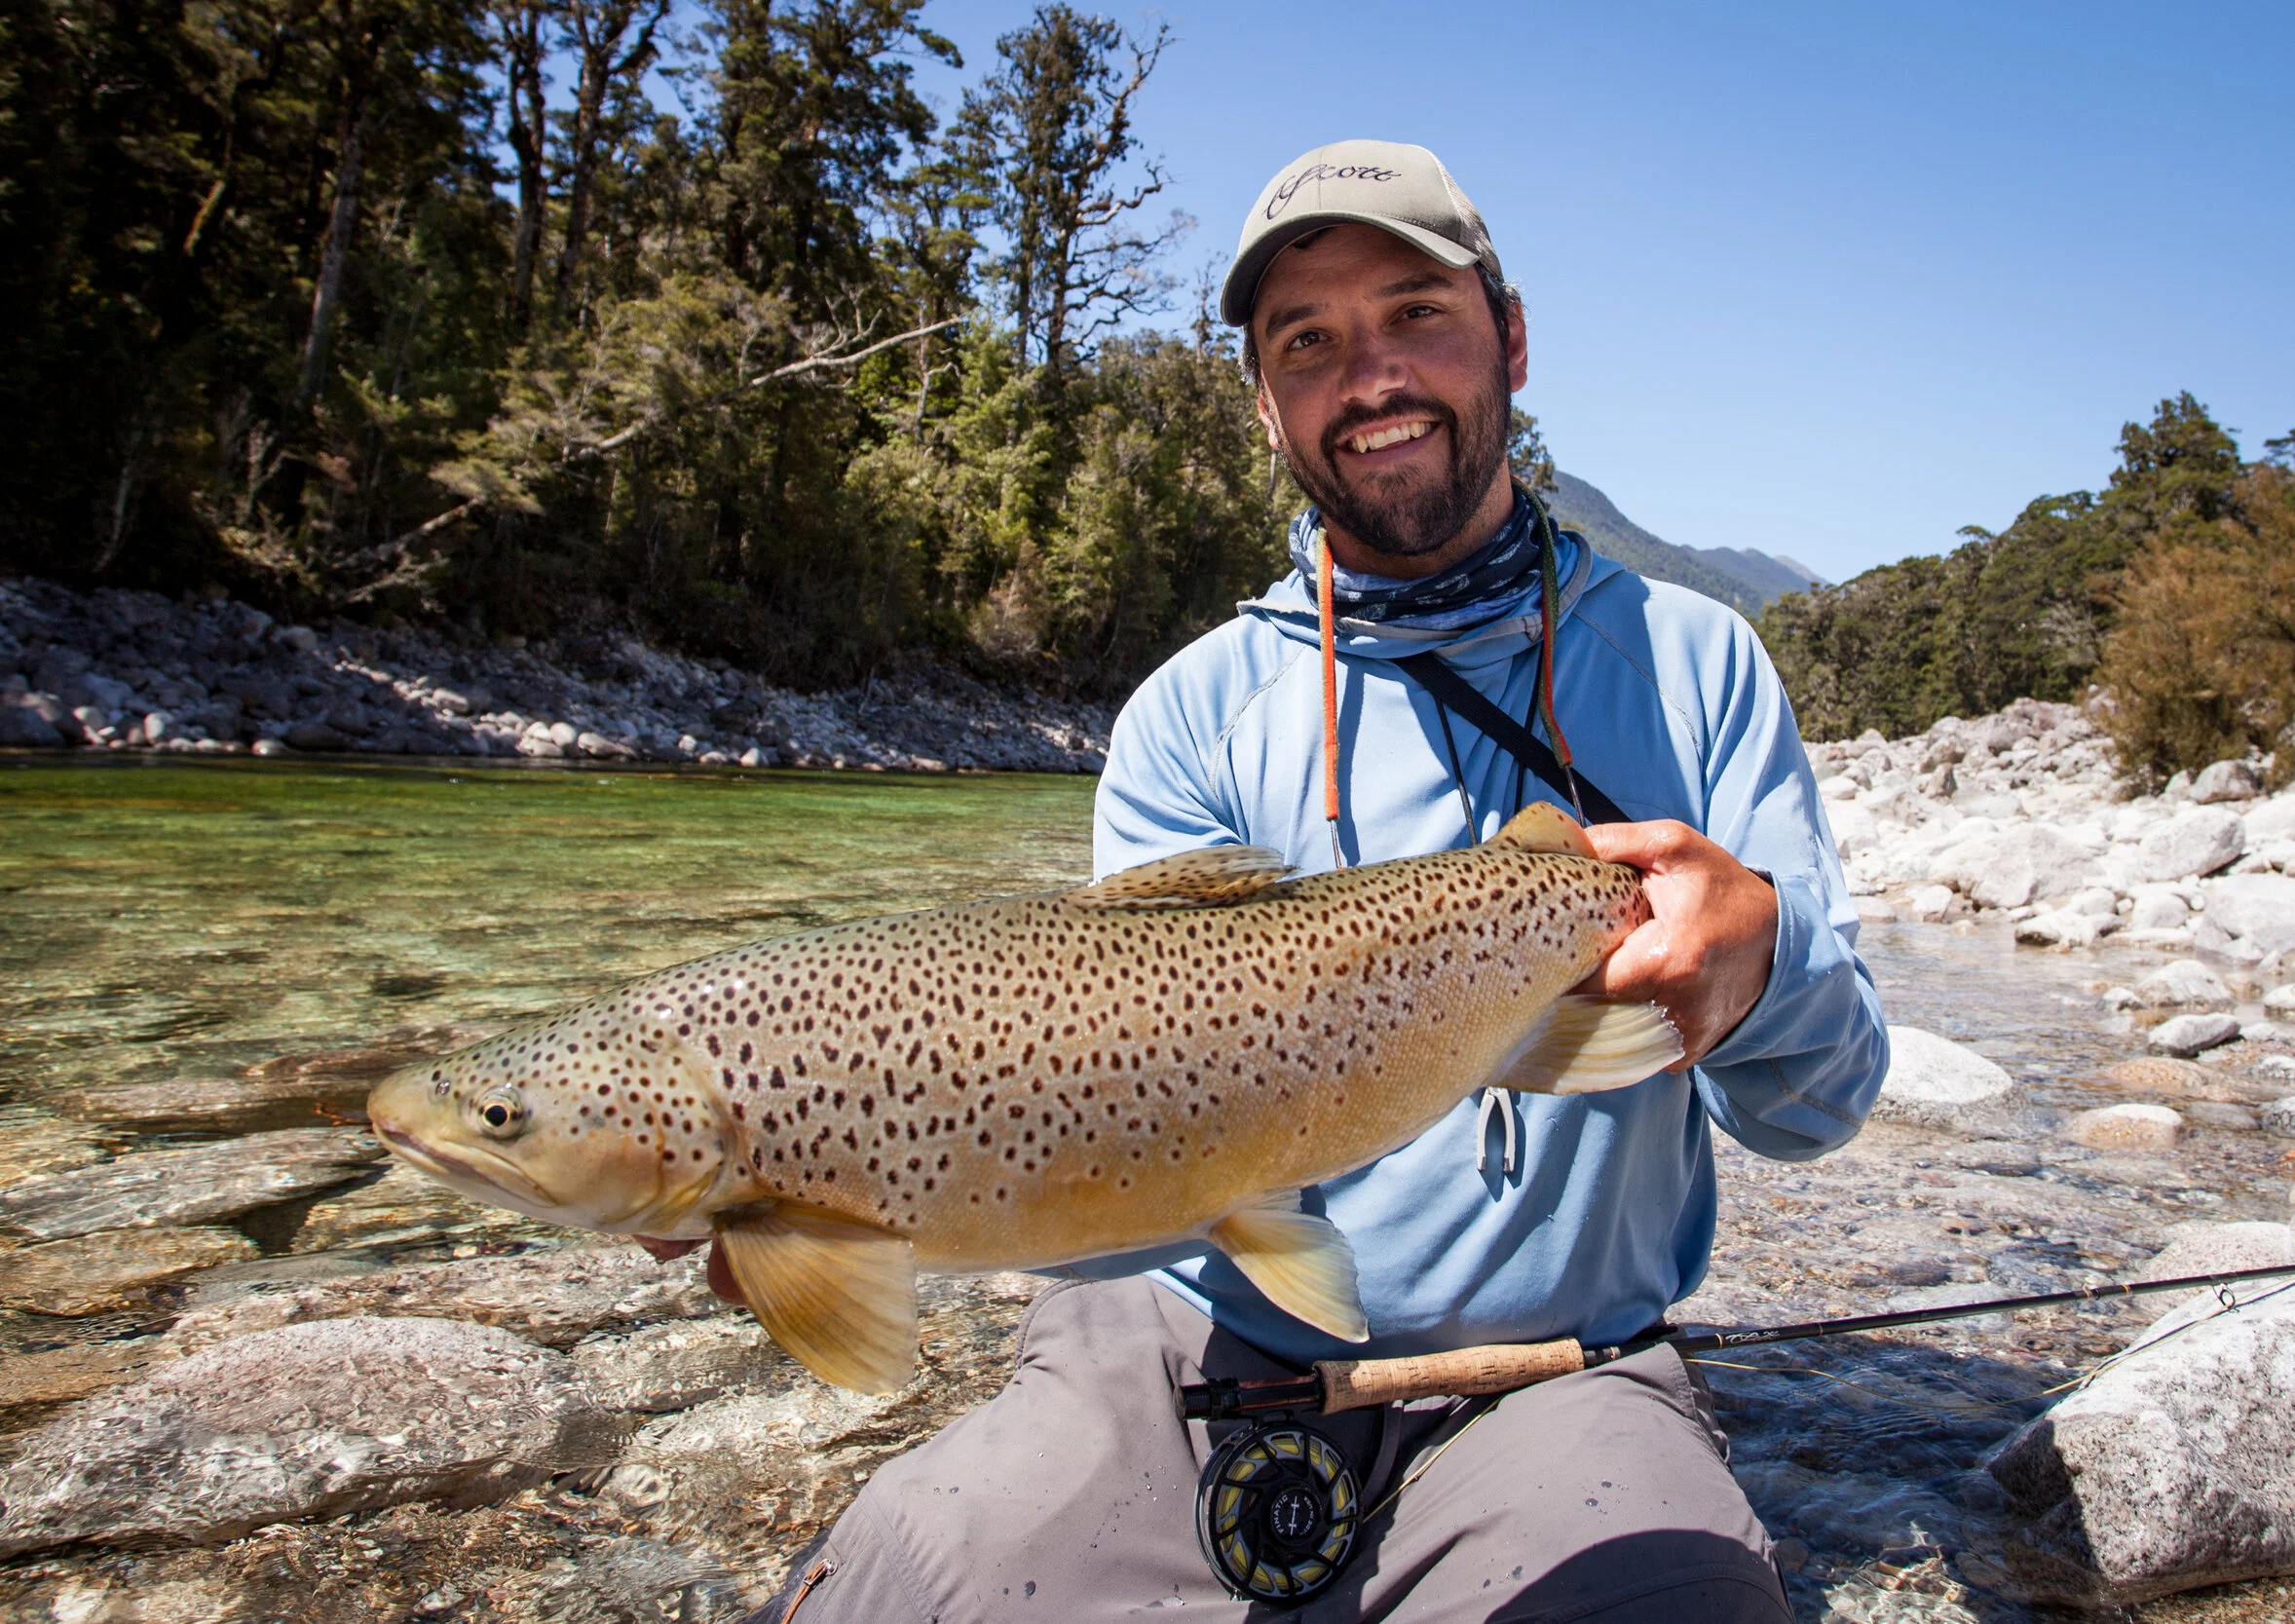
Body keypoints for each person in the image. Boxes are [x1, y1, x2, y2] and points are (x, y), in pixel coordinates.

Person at [744, 138, 1890, 1623]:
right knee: (881, 1589)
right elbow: (1128, 1146)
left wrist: (1760, 965)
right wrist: (824, 1203)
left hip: (1552, 1382)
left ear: (1513, 339)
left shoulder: (1693, 665)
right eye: (1310, 343)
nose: (1372, 378)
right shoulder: (1186, 715)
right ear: (1267, 398)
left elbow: (1822, 1102)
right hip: (1187, 1351)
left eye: (1416, 313)